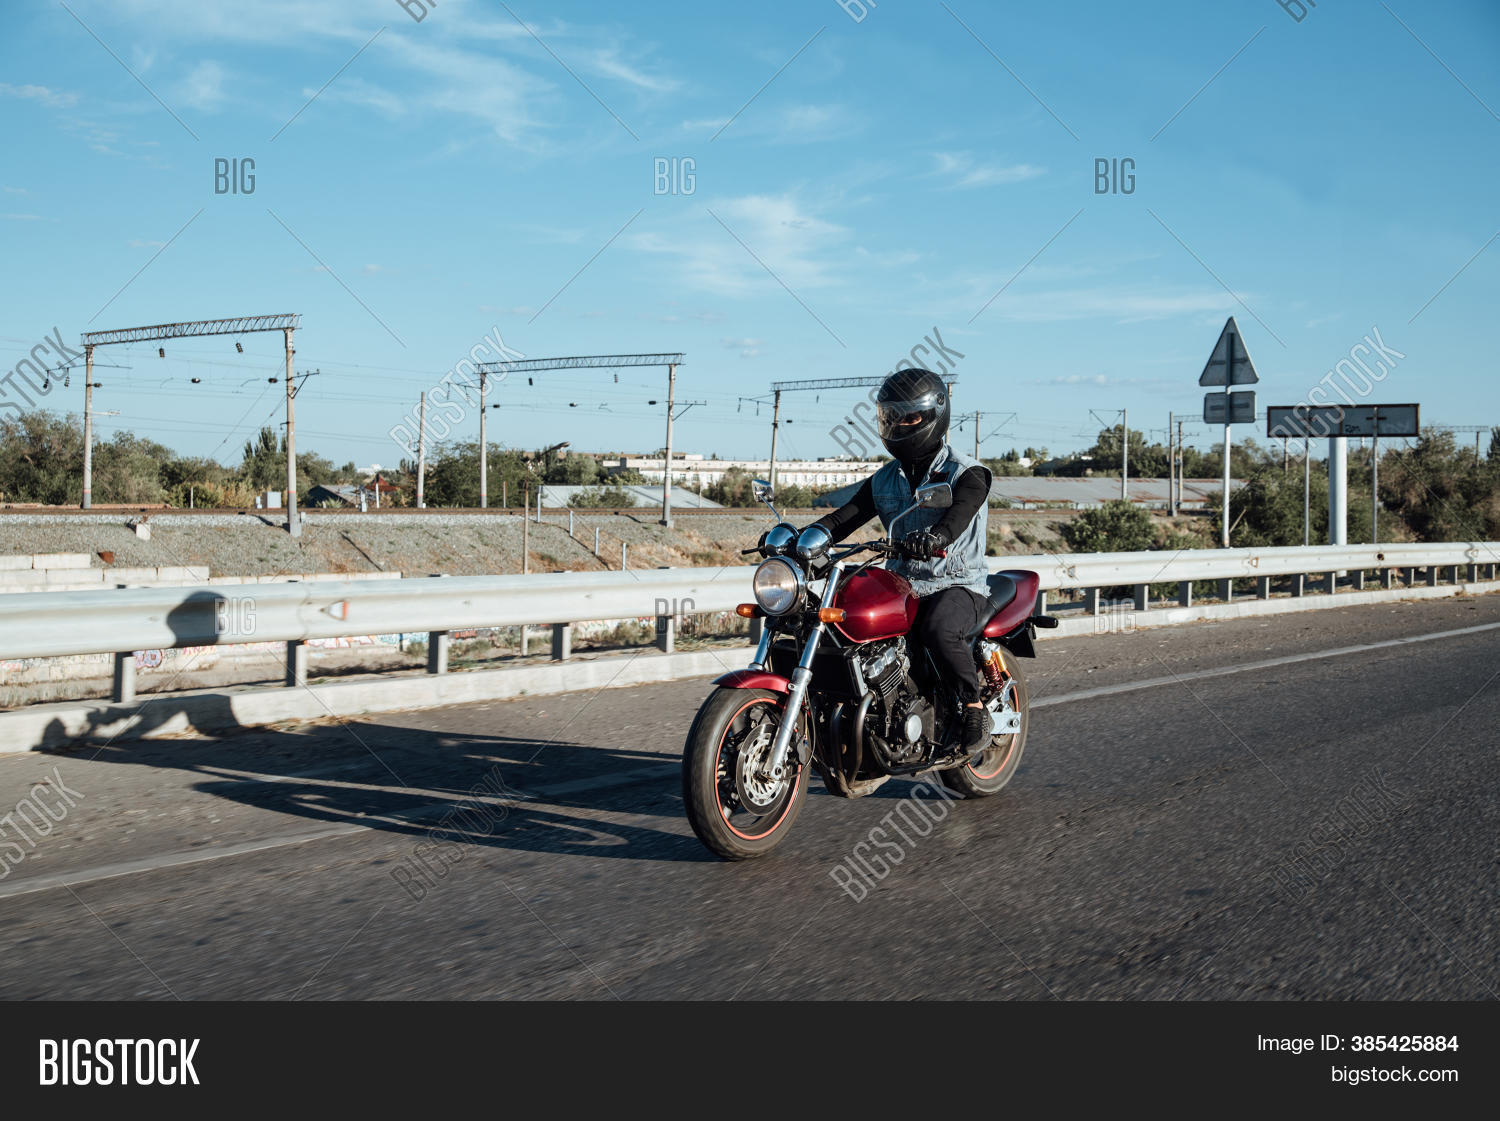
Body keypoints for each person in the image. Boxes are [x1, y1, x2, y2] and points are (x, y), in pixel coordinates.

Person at [811, 368, 995, 754]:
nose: (897, 424)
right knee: (846, 621)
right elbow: (845, 517)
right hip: (902, 584)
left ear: (934, 417)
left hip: (956, 584)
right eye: (890, 415)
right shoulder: (885, 479)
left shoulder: (968, 474)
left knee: (940, 628)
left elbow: (957, 517)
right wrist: (804, 538)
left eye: (908, 416)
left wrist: (936, 538)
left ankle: (975, 706)